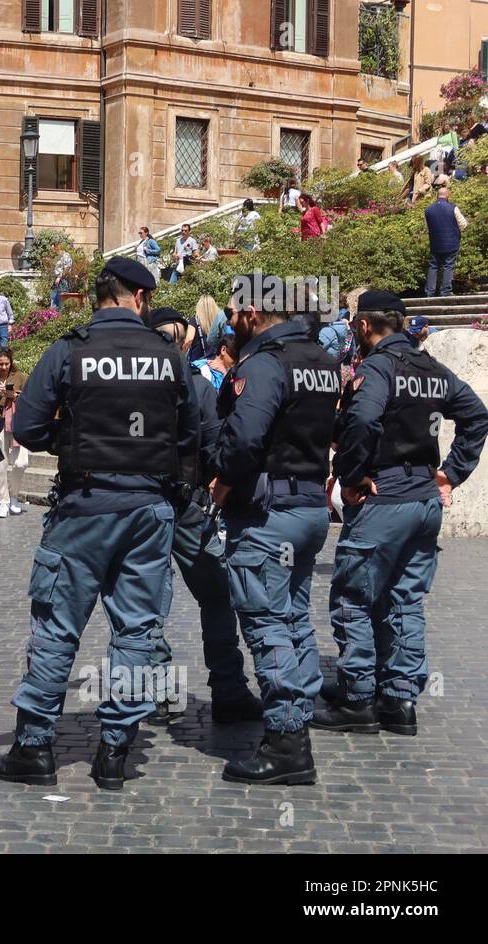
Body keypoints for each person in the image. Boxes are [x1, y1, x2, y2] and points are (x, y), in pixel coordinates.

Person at [0, 257, 199, 790]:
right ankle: (114, 750)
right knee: (137, 628)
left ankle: (34, 746)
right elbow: (192, 433)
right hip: (149, 510)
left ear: (99, 295)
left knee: (57, 626)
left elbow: (29, 428)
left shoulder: (70, 349)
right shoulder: (170, 358)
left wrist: (77, 442)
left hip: (84, 506)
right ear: (140, 299)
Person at [313, 292, 488, 736]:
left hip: (385, 497)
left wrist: (351, 474)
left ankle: (356, 698)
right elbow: (476, 416)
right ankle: (399, 699)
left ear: (366, 326)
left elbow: (364, 421)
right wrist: (450, 474)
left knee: (354, 597)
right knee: (405, 599)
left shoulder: (377, 368)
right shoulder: (431, 368)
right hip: (425, 501)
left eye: (355, 324)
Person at [210, 273, 339, 786]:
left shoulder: (264, 363)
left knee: (267, 625)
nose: (230, 321)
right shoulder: (324, 362)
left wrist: (222, 475)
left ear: (253, 314)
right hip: (309, 509)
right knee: (293, 617)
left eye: (234, 311)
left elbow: (244, 437)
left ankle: (287, 744)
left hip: (269, 514)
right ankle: (299, 719)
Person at [146, 310, 263, 726]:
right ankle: (229, 689)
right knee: (216, 595)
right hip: (187, 505)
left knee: (147, 602)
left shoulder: (131, 384)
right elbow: (217, 446)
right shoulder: (196, 386)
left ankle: (155, 692)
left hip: (141, 506)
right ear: (182, 343)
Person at [0, 349, 29, 518]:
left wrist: (16, 395)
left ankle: (14, 496)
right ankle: (3, 501)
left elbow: (30, 397)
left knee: (21, 462)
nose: (4, 367)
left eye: (7, 363)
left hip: (18, 422)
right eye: (0, 364)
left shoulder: (20, 377)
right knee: (1, 464)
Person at [424, 187, 468, 298]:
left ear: (437, 195)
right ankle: (445, 291)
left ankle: (429, 292)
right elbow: (463, 224)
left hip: (435, 242)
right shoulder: (453, 207)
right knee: (449, 266)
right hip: (451, 242)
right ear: (448, 195)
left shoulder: (428, 210)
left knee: (433, 266)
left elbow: (427, 227)